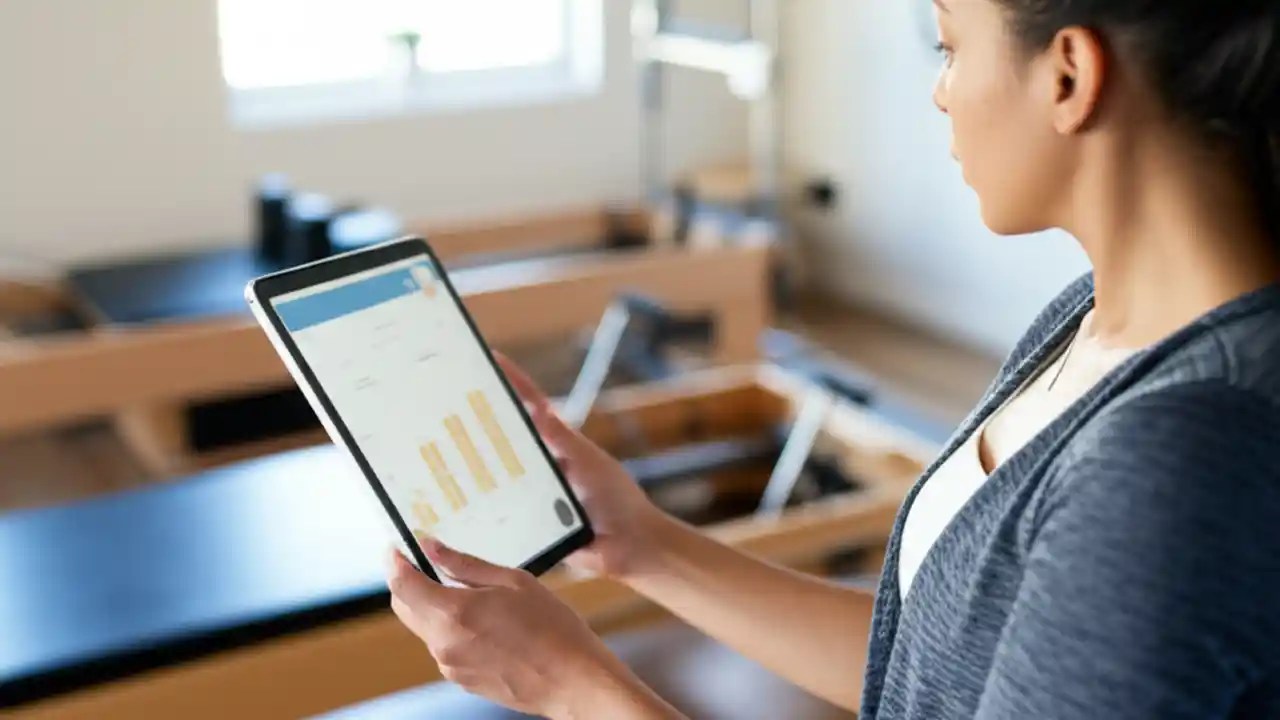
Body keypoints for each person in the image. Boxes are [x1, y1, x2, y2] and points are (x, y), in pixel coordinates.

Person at [385, 0, 1280, 717]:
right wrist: (646, 546)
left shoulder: (1186, 454)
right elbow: (940, 676)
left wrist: (574, 688)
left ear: (1071, 74)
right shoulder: (1088, 317)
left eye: (949, 46)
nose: (940, 93)